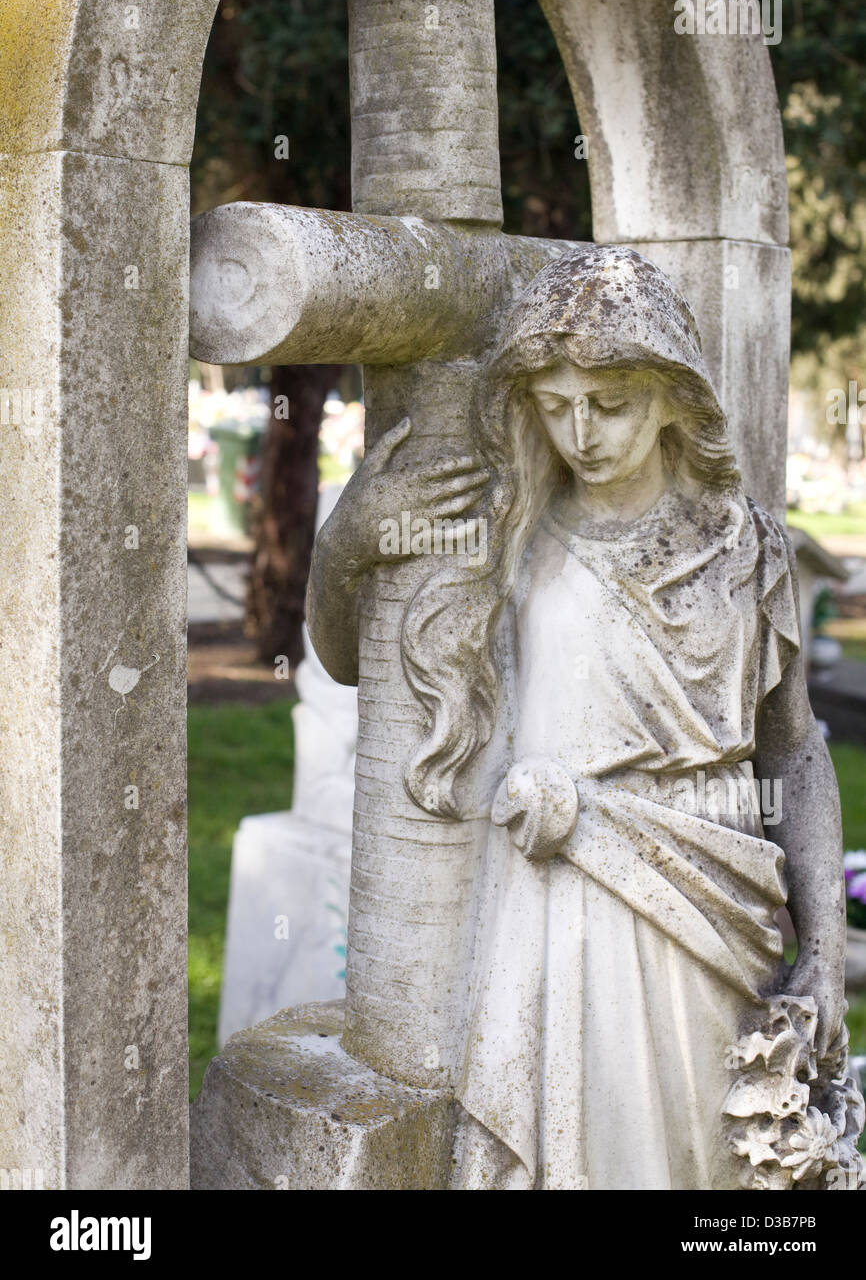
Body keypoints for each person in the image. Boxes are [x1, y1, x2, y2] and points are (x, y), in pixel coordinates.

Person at [307, 247, 859, 1190]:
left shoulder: (745, 547)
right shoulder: (512, 535)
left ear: (671, 397)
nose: (581, 433)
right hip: (561, 897)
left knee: (714, 1158)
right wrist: (347, 543)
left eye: (609, 405)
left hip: (714, 888)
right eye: (557, 407)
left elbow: (794, 749)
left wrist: (825, 940)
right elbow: (349, 659)